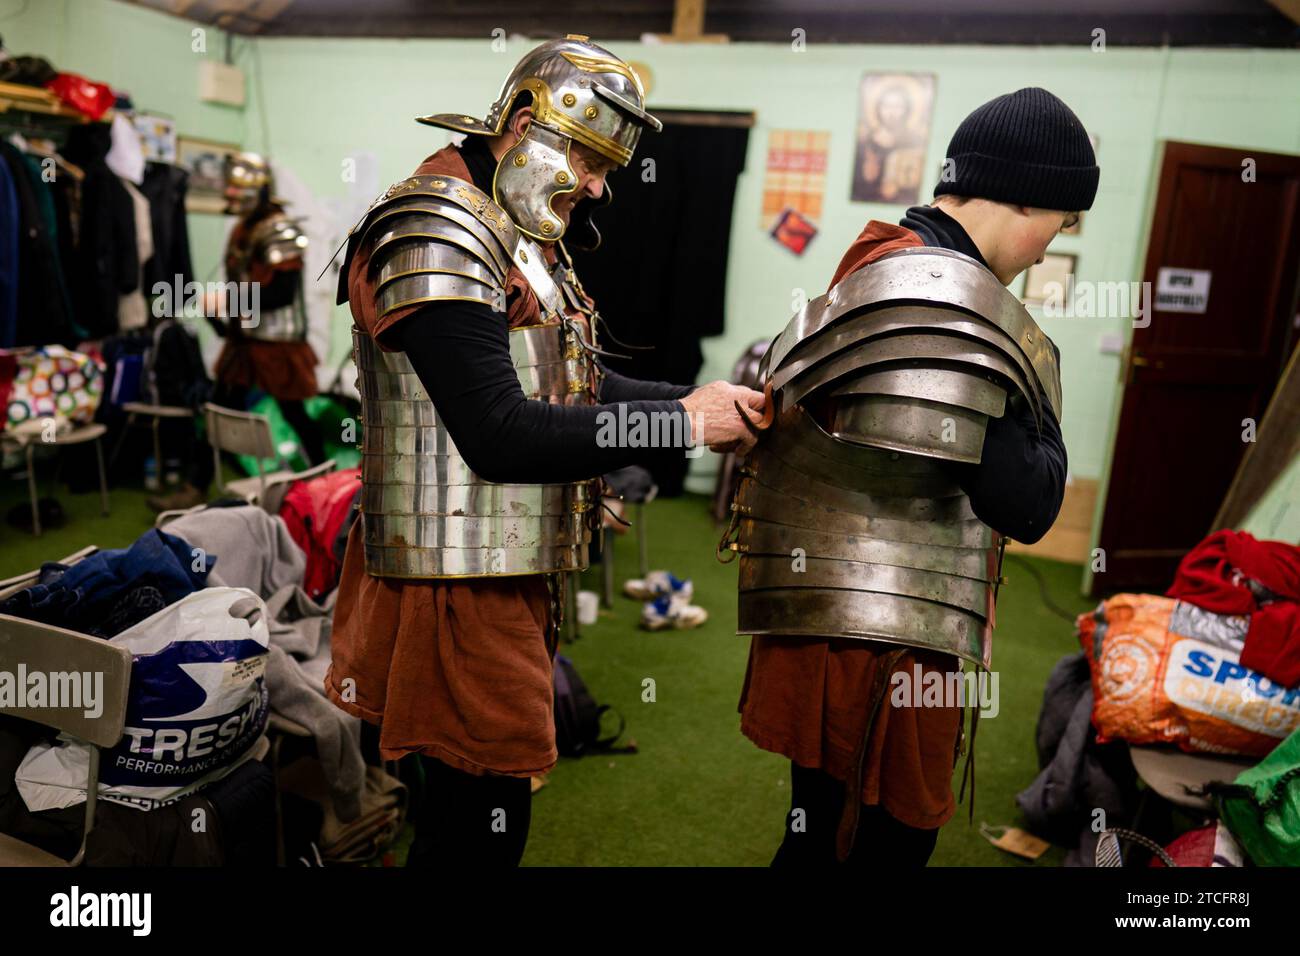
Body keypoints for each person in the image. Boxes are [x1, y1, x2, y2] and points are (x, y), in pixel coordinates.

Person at [323, 35, 764, 867]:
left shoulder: (511, 228)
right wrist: (685, 428)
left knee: (473, 821)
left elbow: (573, 391)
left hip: (495, 562)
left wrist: (700, 404)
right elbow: (498, 433)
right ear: (525, 122)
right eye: (591, 158)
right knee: (474, 829)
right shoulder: (437, 229)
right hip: (446, 575)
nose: (599, 187)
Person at [734, 87, 1096, 866]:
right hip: (877, 630)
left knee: (825, 832)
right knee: (879, 843)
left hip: (856, 610)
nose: (1047, 249)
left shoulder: (885, 260)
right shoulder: (935, 294)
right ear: (1031, 205)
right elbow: (1028, 498)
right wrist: (1035, 425)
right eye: (1061, 225)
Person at [147, 151, 324, 511]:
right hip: (246, 342)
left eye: (238, 188)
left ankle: (323, 484)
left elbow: (279, 294)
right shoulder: (244, 229)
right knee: (218, 409)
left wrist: (228, 301)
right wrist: (218, 311)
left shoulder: (280, 228)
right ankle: (196, 485)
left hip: (278, 343)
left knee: (295, 415)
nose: (231, 195)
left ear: (258, 190)